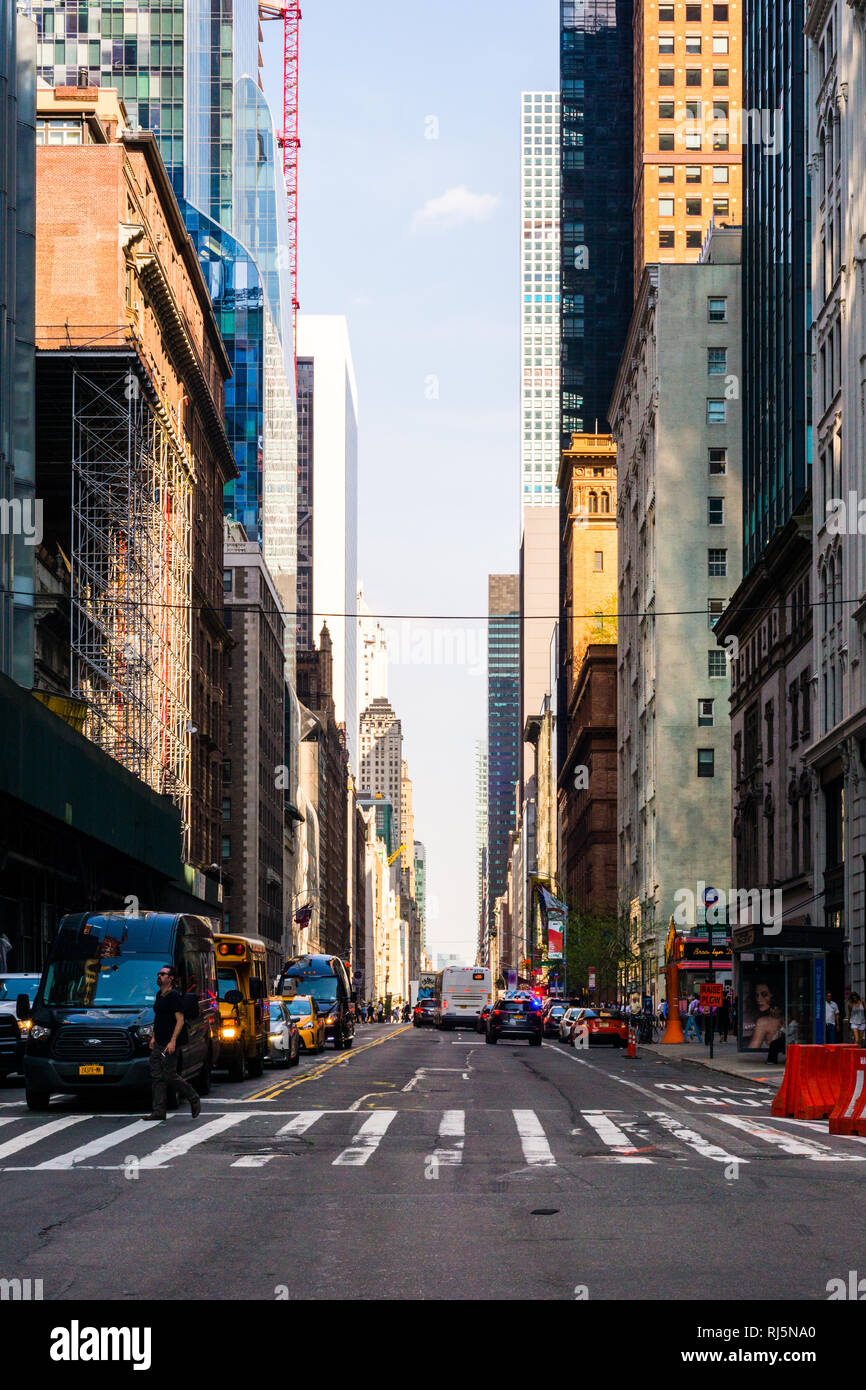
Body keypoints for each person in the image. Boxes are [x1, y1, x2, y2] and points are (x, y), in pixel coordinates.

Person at [143, 967, 201, 1122]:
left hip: (169, 1042)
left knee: (169, 1074)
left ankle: (193, 1097)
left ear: (171, 978)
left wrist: (173, 1041)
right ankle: (159, 1111)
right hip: (159, 1041)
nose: (159, 976)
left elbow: (180, 1020)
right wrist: (154, 1037)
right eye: (158, 973)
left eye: (162, 974)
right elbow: (159, 1018)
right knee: (157, 1076)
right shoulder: (159, 995)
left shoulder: (174, 996)